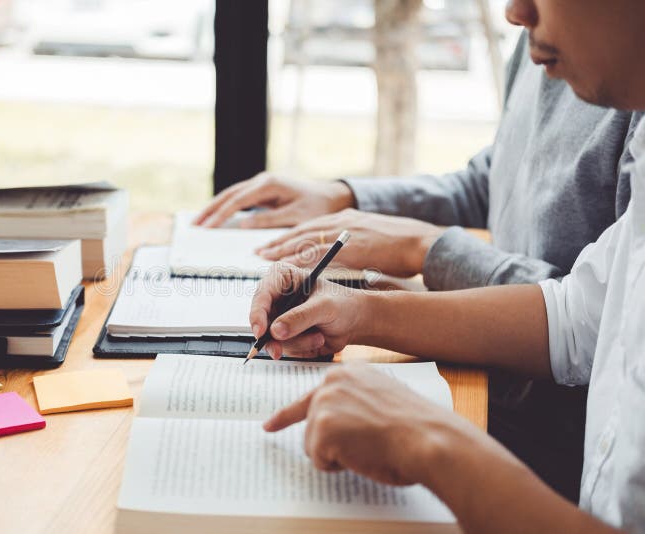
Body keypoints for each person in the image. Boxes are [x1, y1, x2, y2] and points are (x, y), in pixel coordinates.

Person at [196, 10, 642, 503]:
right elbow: (577, 314)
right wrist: (357, 299)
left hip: (538, 435)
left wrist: (426, 249)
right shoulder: (558, 48)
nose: (514, 13)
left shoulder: (619, 90)